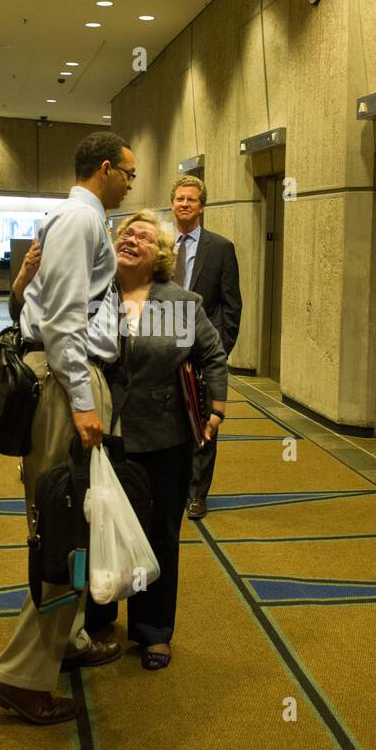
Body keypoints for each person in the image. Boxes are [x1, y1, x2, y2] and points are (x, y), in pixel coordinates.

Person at [0, 132, 136, 725]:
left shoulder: (69, 219)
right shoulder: (80, 219)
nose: (130, 181)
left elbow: (34, 305)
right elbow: (67, 322)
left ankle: (67, 638)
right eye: (127, 172)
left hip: (64, 378)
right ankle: (18, 676)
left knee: (79, 519)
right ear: (105, 169)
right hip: (67, 384)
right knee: (66, 523)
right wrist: (80, 399)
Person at [85, 210, 228, 669]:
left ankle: (153, 630)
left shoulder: (179, 303)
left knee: (159, 533)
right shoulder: (95, 295)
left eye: (143, 237)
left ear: (161, 255)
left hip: (165, 438)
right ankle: (99, 612)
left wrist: (217, 410)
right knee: (98, 525)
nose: (131, 240)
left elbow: (212, 356)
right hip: (101, 435)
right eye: (126, 233)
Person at [168, 175, 242, 519]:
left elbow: (232, 304)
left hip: (203, 350)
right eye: (180, 199)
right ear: (172, 204)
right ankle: (173, 484)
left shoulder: (221, 248)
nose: (185, 204)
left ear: (202, 206)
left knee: (205, 421)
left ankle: (197, 494)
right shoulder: (159, 245)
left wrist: (220, 350)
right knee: (168, 418)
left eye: (191, 200)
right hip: (162, 347)